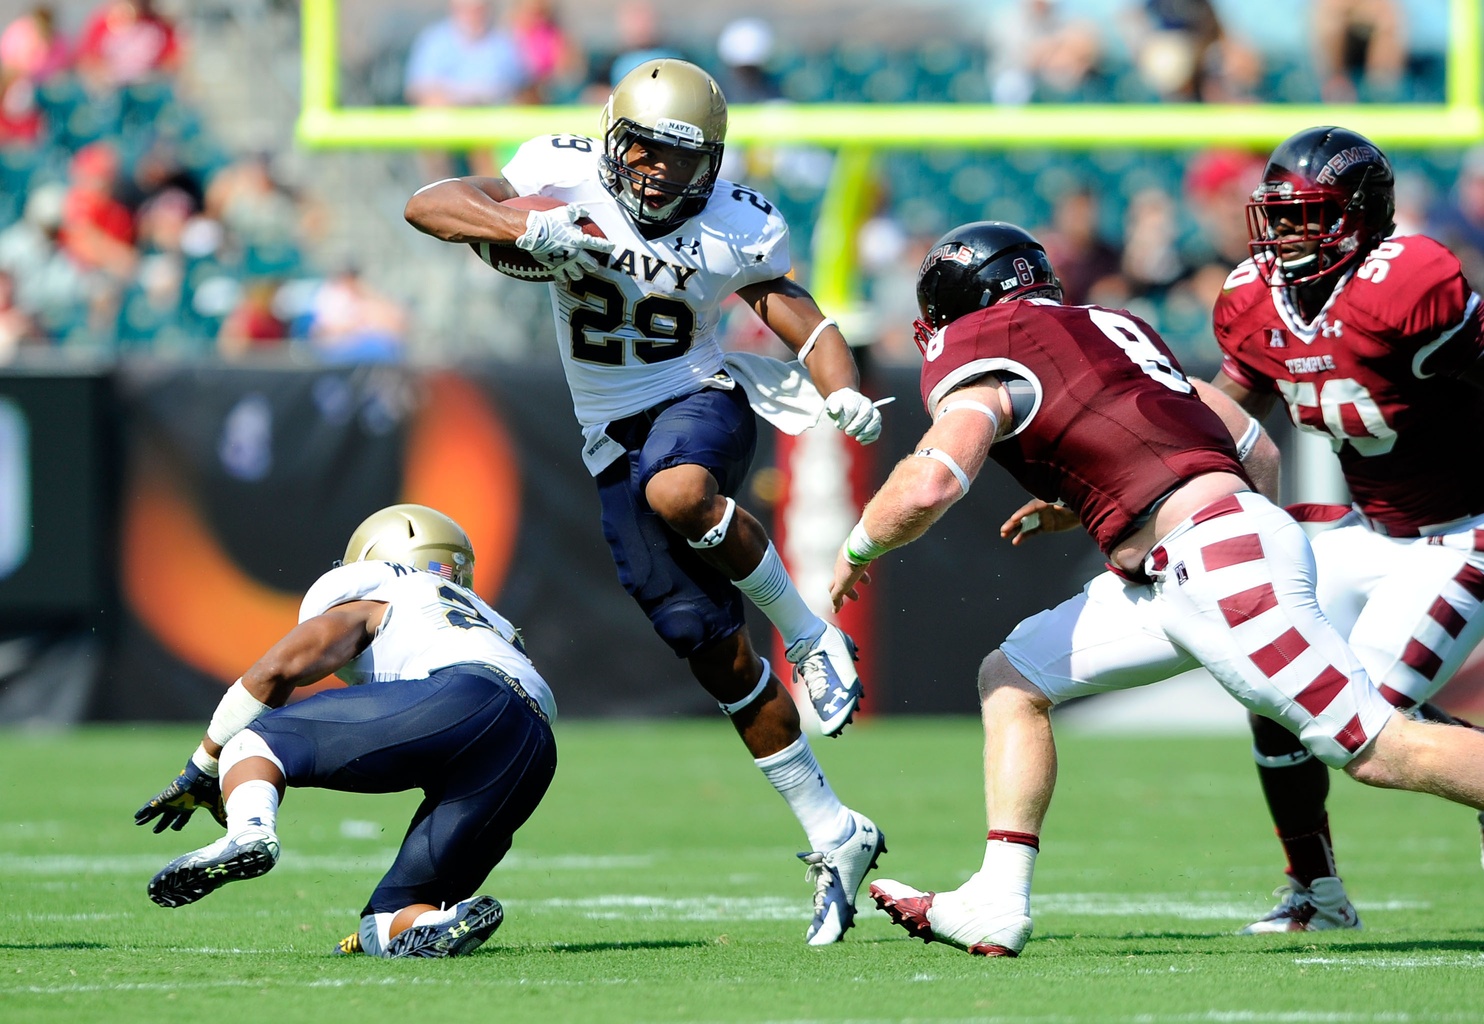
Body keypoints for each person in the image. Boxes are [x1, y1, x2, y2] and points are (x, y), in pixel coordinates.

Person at [827, 219, 1484, 958]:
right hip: (1193, 561)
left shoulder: (979, 344)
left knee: (1375, 749)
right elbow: (1252, 444)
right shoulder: (1111, 325)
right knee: (1012, 678)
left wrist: (855, 551)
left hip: (1209, 562)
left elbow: (930, 482)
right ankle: (995, 901)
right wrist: (1129, 509)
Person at [404, 58, 887, 945]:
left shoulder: (738, 222)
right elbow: (430, 203)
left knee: (680, 489)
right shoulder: (558, 168)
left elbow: (794, 309)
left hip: (700, 395)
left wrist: (841, 383)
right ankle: (835, 831)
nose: (660, 171)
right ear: (612, 140)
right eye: (646, 151)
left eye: (681, 156)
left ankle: (815, 633)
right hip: (608, 436)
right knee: (711, 652)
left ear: (712, 162)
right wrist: (527, 225)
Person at [1209, 126, 1484, 932]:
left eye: (1311, 217)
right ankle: (1315, 892)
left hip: (1460, 531)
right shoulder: (1253, 296)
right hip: (1370, 526)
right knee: (1269, 675)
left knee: (1353, 725)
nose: (1289, 238)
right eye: (1281, 218)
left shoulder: (1411, 282)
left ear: (1362, 215)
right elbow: (1231, 406)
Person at [134, 504, 557, 959]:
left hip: (462, 696)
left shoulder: (389, 588)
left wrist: (202, 768)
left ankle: (249, 833)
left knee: (248, 741)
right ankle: (432, 920)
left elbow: (276, 671)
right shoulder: (494, 624)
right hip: (531, 746)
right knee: (385, 926)